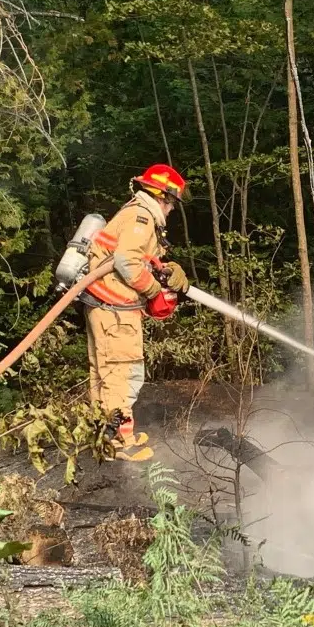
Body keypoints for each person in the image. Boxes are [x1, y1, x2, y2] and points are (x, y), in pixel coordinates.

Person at [81, 164, 190, 462]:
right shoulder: (141, 218)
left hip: (103, 307)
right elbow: (128, 262)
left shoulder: (135, 215)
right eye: (172, 204)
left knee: (103, 373)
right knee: (122, 373)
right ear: (162, 196)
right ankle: (119, 442)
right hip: (116, 312)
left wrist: (166, 268)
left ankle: (102, 435)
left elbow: (141, 256)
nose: (171, 210)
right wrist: (155, 292)